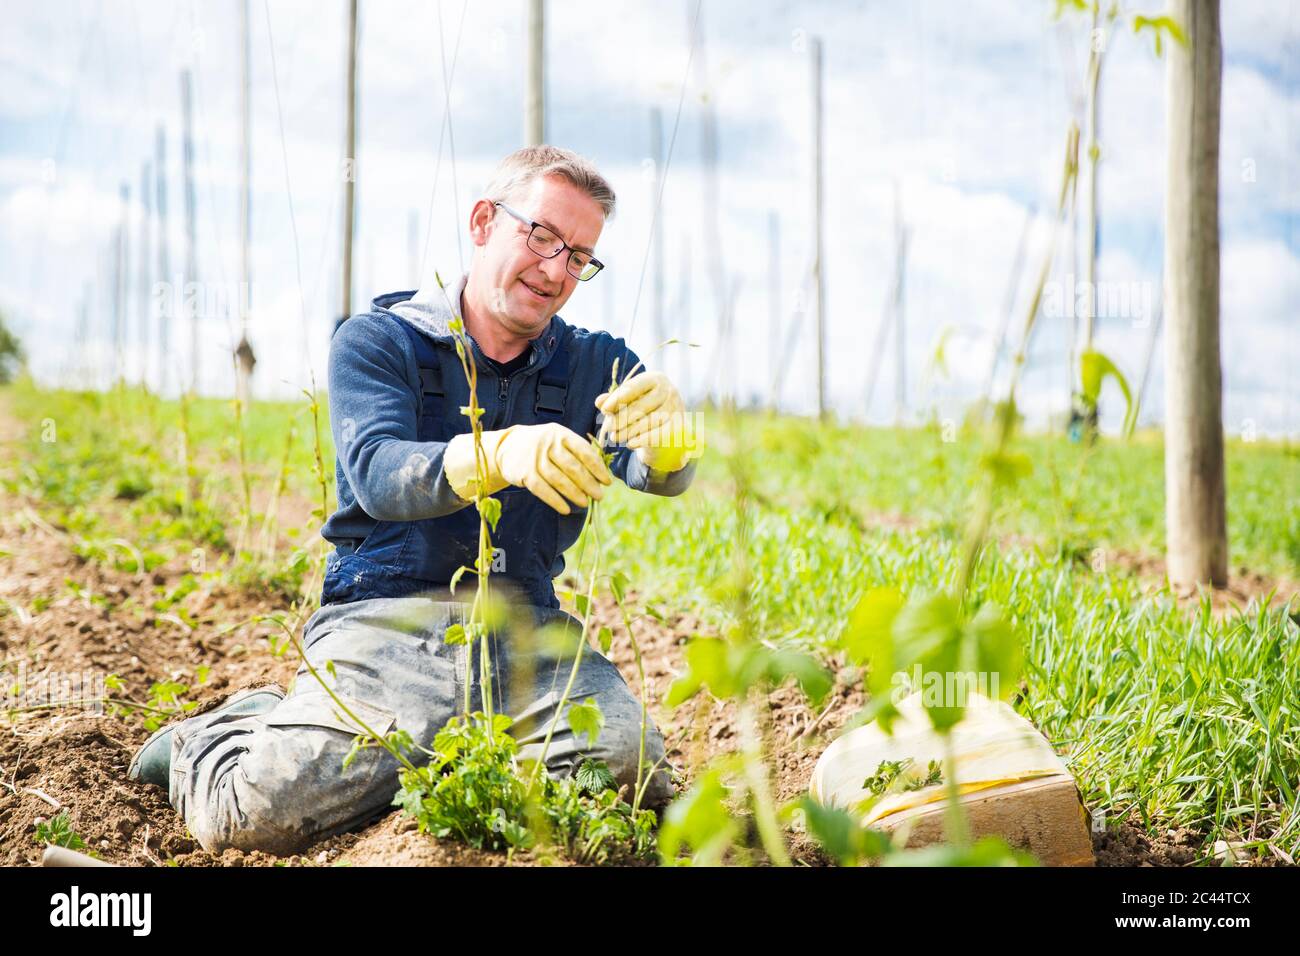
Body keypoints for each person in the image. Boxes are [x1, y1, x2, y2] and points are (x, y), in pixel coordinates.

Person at [128, 145, 699, 856]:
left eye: (579, 256)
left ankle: (452, 748)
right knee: (261, 814)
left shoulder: (596, 363)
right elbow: (378, 470)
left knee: (630, 773)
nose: (556, 270)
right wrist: (500, 452)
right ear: (484, 221)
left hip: (526, 632)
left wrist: (672, 444)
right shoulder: (378, 342)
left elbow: (654, 473)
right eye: (542, 236)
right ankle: (210, 739)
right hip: (384, 623)